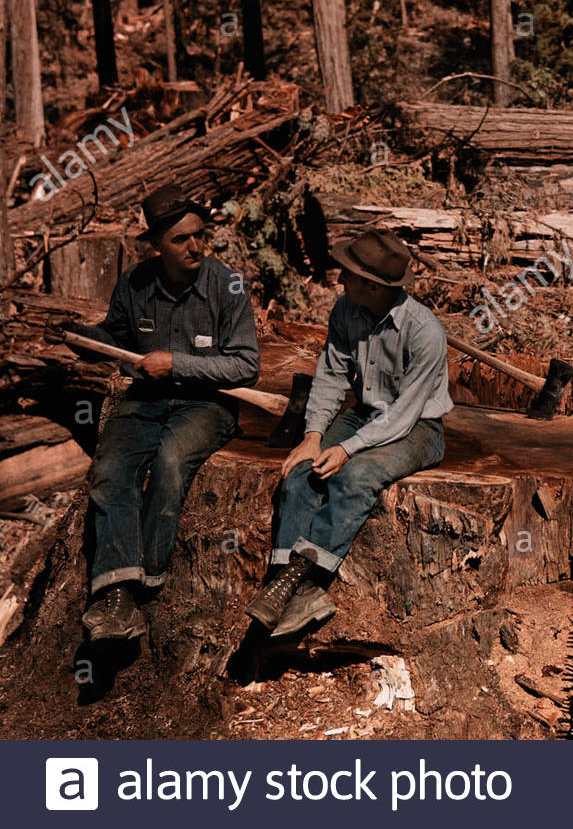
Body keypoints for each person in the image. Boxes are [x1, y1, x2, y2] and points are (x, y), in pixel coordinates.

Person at [54, 185, 260, 641]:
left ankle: (147, 579)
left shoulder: (227, 286)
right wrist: (83, 338)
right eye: (181, 239)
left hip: (208, 403)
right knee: (111, 471)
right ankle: (116, 597)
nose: (195, 247)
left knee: (169, 461)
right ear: (157, 245)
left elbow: (247, 364)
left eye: (200, 236)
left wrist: (178, 362)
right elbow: (116, 334)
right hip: (146, 398)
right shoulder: (134, 282)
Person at [246, 231, 452, 637]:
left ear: (372, 285)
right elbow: (330, 376)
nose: (340, 279)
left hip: (417, 428)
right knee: (302, 472)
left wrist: (346, 449)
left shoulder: (425, 331)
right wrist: (313, 435)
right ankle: (292, 590)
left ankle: (297, 582)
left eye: (349, 274)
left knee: (355, 477)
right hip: (364, 416)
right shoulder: (346, 310)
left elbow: (403, 417)